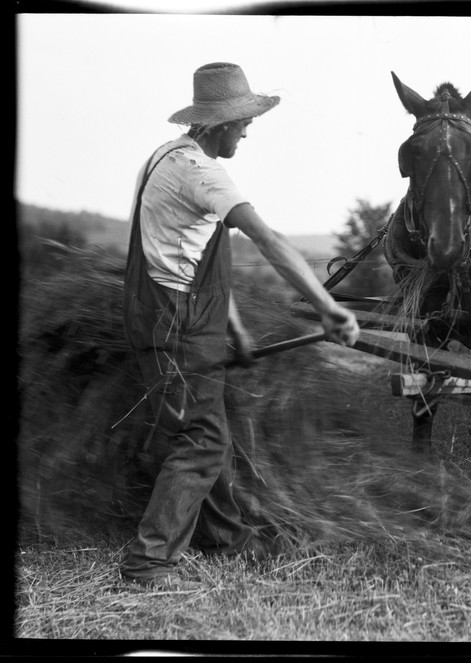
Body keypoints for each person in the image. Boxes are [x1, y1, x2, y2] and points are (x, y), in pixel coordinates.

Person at [121, 62, 360, 589]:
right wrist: (328, 307)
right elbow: (269, 240)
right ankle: (148, 562)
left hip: (174, 315)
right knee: (201, 440)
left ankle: (224, 538)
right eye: (244, 123)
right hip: (177, 324)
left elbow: (195, 256)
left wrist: (237, 331)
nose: (247, 133)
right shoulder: (203, 173)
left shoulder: (163, 158)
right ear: (220, 124)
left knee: (211, 433)